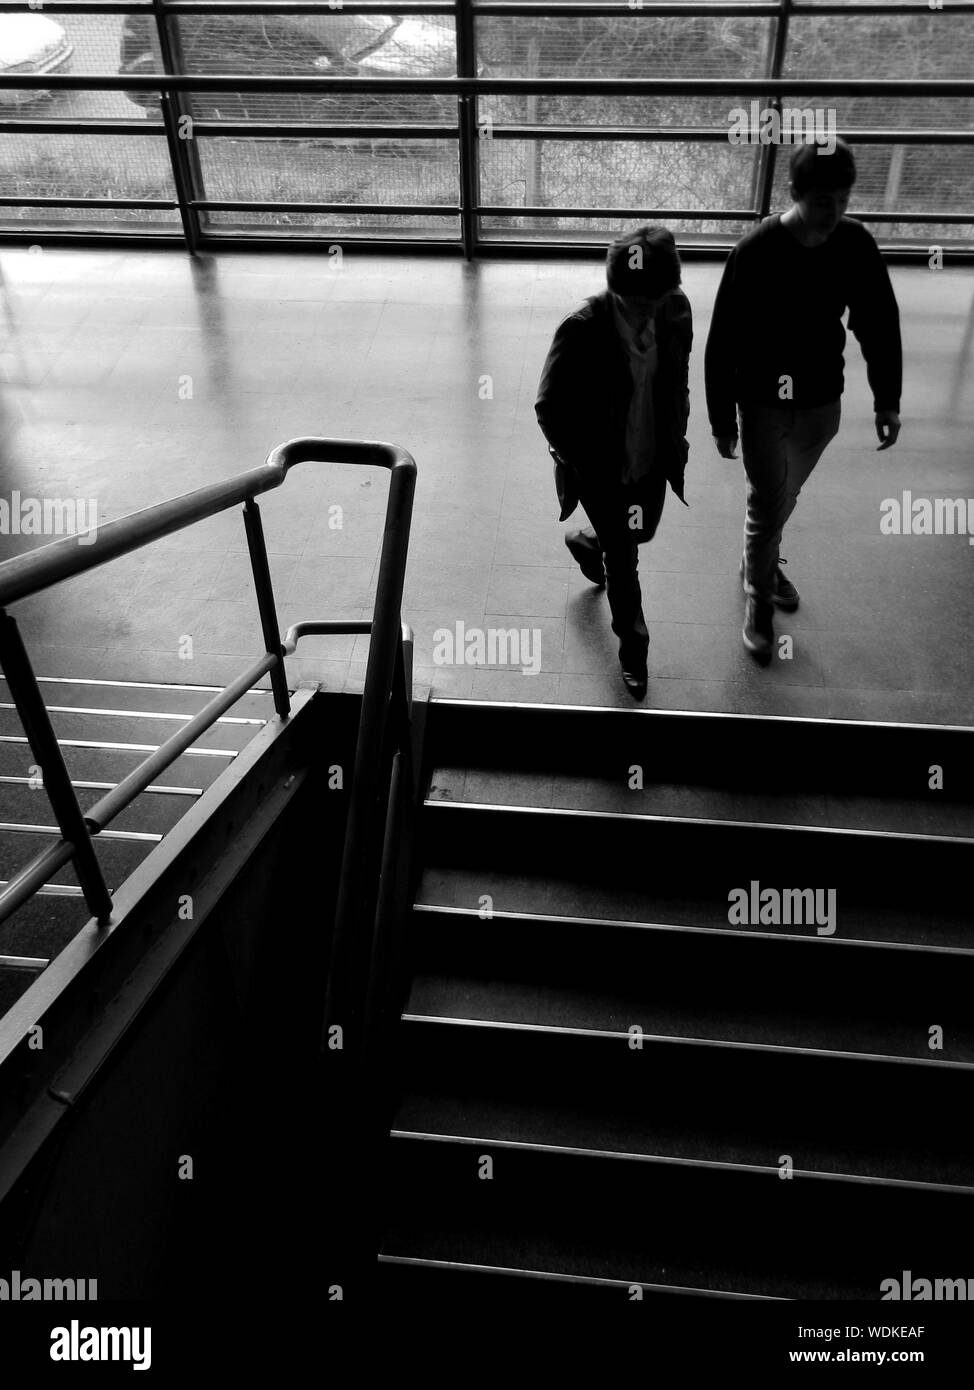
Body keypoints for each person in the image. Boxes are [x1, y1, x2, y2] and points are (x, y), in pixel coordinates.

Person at [704, 137, 902, 663]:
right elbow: (723, 339)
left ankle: (757, 563)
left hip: (821, 403)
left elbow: (878, 323)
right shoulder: (756, 251)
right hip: (763, 400)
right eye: (822, 201)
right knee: (767, 501)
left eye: (843, 200)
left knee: (783, 497)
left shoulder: (855, 244)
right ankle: (758, 602)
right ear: (794, 193)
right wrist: (723, 418)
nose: (833, 212)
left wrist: (888, 399)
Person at [535, 224, 693, 700]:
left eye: (656, 300)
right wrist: (582, 461)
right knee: (626, 563)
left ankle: (589, 543)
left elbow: (678, 376)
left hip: (651, 459)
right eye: (634, 303)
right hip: (602, 470)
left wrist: (676, 432)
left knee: (635, 534)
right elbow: (549, 406)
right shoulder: (582, 327)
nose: (646, 312)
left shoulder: (677, 311)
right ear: (614, 289)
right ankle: (634, 650)